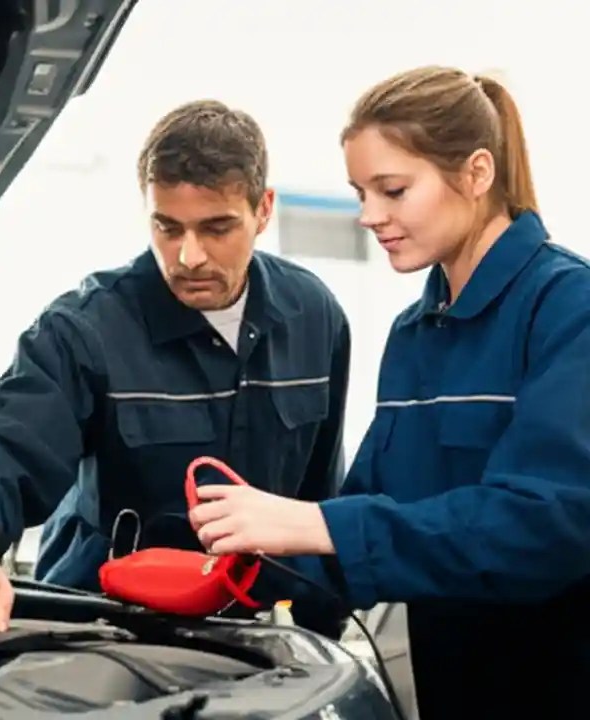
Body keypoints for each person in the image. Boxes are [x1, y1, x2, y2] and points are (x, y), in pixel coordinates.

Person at [188, 66, 590, 718]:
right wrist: (236, 581)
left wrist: (315, 522)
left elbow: (544, 528)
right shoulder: (413, 334)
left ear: (478, 173)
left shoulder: (570, 308)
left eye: (393, 190)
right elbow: (371, 515)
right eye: (360, 192)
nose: (369, 216)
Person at [0, 99, 352, 638]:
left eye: (216, 227)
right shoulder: (84, 329)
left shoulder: (315, 317)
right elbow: (2, 449)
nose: (188, 256)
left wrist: (323, 633)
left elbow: (319, 499)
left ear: (263, 210)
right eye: (167, 227)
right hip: (102, 630)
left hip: (250, 630)